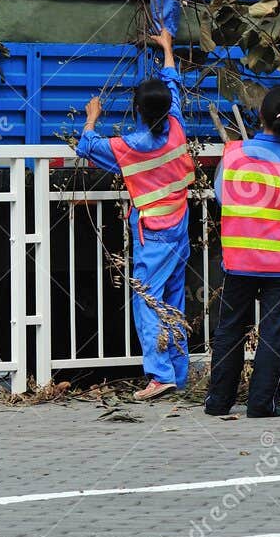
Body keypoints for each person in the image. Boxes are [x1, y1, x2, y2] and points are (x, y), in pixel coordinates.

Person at [77, 29, 195, 400]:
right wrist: (168, 50)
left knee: (147, 301)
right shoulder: (176, 127)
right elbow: (173, 86)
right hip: (179, 226)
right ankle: (177, 371)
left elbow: (87, 146)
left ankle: (159, 376)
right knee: (173, 301)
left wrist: (92, 117)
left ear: (138, 111)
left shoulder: (132, 146)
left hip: (154, 233)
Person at [204, 86, 280, 419]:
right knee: (274, 332)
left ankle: (217, 402)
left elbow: (222, 197)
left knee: (229, 328)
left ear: (260, 117)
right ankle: (261, 403)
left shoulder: (232, 155)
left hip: (238, 260)